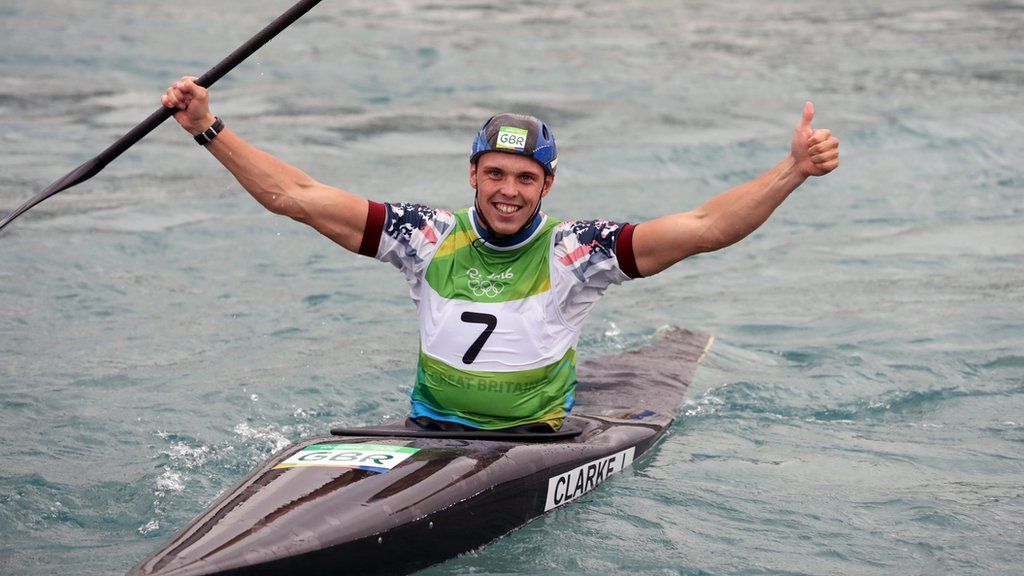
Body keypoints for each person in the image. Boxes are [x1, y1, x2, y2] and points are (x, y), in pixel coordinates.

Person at [162, 77, 839, 433]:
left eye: (524, 178)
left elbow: (702, 226)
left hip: (532, 443)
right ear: (472, 175)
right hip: (426, 430)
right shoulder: (423, 235)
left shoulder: (579, 251)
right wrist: (207, 129)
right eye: (495, 174)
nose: (508, 191)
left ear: (547, 185)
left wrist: (791, 170)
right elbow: (296, 195)